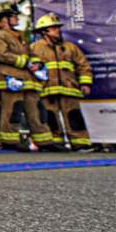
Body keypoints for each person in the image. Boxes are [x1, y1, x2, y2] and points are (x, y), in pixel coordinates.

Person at [0, 2, 55, 152]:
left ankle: (45, 141)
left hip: (28, 79)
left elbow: (31, 54)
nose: (17, 19)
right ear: (4, 19)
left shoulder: (19, 36)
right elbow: (1, 55)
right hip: (11, 79)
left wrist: (36, 63)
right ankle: (10, 141)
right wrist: (26, 63)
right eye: (14, 16)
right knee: (13, 109)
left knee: (36, 110)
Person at [30, 13, 94, 151]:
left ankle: (81, 143)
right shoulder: (34, 48)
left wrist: (85, 83)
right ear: (44, 31)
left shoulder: (70, 47)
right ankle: (55, 144)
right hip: (46, 90)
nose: (58, 30)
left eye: (57, 28)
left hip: (69, 89)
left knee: (74, 116)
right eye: (54, 28)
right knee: (50, 118)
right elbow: (30, 68)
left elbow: (83, 66)